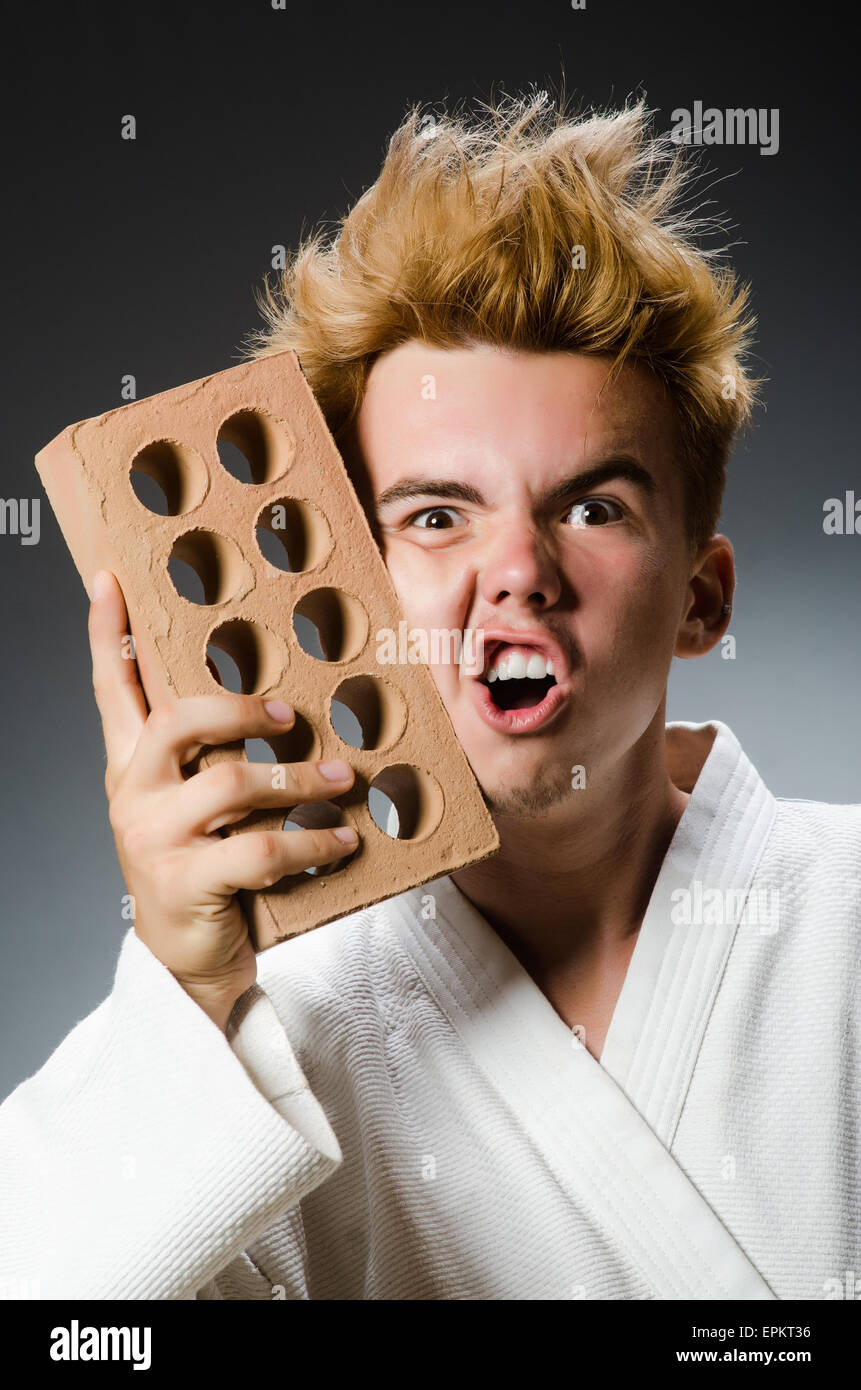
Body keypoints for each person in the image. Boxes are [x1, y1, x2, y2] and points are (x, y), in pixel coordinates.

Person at [1, 90, 858, 1302]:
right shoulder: (272, 1034)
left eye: (592, 508)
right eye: (438, 516)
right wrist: (187, 988)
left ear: (701, 600)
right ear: (353, 576)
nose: (517, 570)